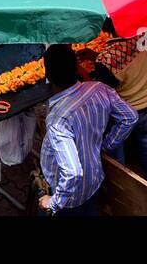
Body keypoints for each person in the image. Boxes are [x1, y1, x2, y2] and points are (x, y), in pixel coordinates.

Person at [39, 43, 138, 216]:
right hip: (94, 179)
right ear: (77, 67)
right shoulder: (99, 89)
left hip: (69, 199)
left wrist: (53, 202)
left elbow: (72, 172)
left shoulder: (58, 122)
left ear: (48, 75)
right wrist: (106, 145)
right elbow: (130, 117)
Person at [95, 25, 147, 191]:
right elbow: (136, 55)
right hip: (144, 106)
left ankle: (122, 192)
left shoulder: (108, 59)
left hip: (119, 118)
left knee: (117, 155)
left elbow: (105, 91)